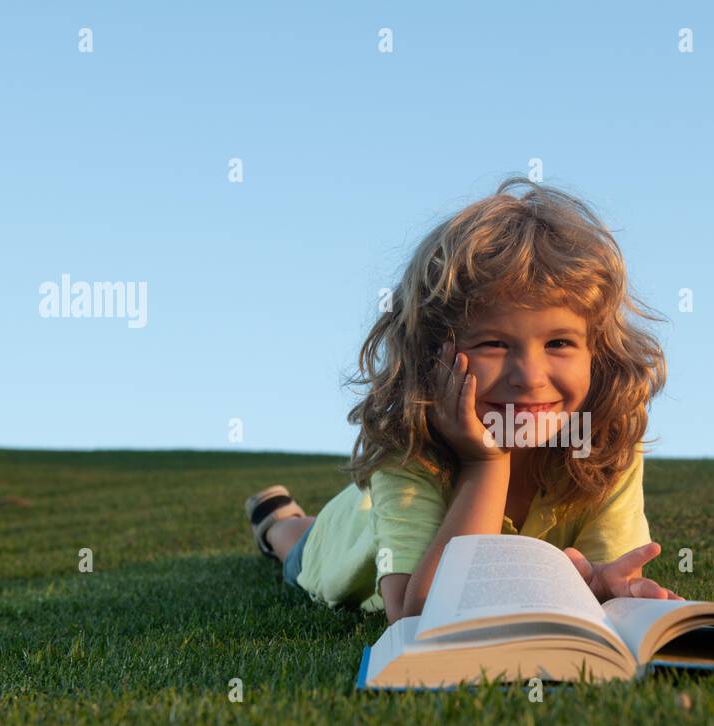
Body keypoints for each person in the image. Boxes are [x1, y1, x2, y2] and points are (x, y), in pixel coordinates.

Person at [244, 177, 682, 625]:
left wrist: (600, 584)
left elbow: (595, 574)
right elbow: (416, 612)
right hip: (344, 542)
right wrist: (485, 466)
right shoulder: (410, 453)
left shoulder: (604, 444)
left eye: (559, 343)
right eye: (493, 343)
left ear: (597, 352)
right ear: (432, 354)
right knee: (298, 543)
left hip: (388, 517)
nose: (529, 378)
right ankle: (277, 518)